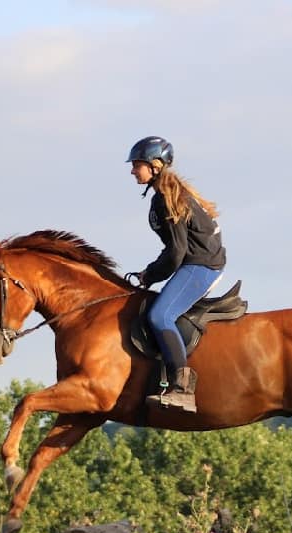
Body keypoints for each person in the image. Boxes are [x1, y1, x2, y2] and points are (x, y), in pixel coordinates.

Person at [126, 135, 226, 413]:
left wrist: (152, 275)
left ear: (156, 166)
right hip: (195, 261)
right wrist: (152, 272)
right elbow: (175, 249)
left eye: (137, 165)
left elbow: (177, 252)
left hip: (202, 265)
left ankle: (182, 388)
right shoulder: (166, 194)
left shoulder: (167, 199)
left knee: (160, 316)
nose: (133, 170)